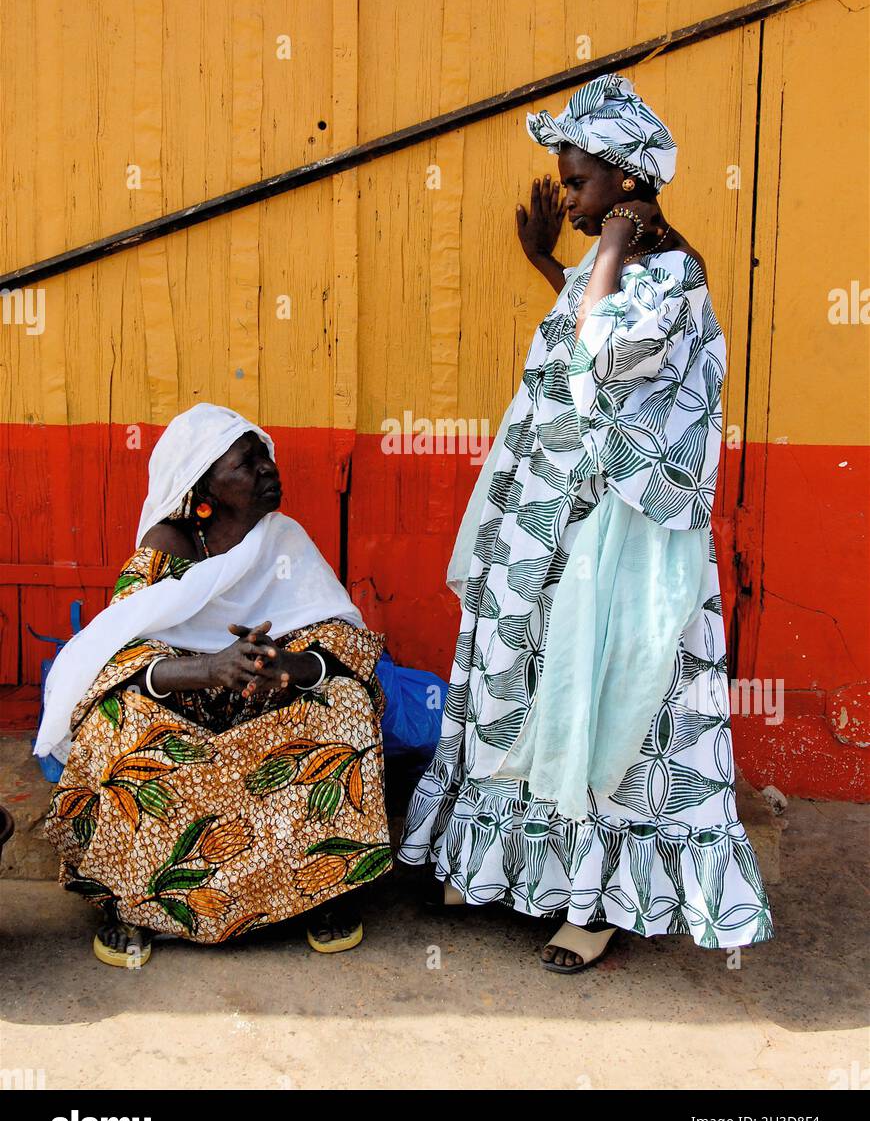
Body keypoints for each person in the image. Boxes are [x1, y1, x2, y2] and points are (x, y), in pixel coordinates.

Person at [398, 73, 774, 972]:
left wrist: (603, 250)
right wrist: (553, 264)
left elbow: (607, 351)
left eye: (578, 184)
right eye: (565, 182)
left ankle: (596, 907)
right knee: (521, 685)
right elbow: (585, 331)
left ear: (630, 182)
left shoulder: (674, 273)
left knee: (612, 708)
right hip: (544, 522)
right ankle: (499, 869)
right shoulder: (623, 269)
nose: (564, 197)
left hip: (618, 536)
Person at [38, 404, 391, 966]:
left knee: (345, 706)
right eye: (246, 464)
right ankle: (130, 902)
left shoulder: (284, 540)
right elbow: (118, 647)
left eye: (265, 457)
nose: (268, 470)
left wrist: (287, 667)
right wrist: (206, 669)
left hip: (266, 698)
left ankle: (321, 891)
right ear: (204, 482)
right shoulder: (169, 543)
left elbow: (338, 637)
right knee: (117, 721)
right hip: (182, 695)